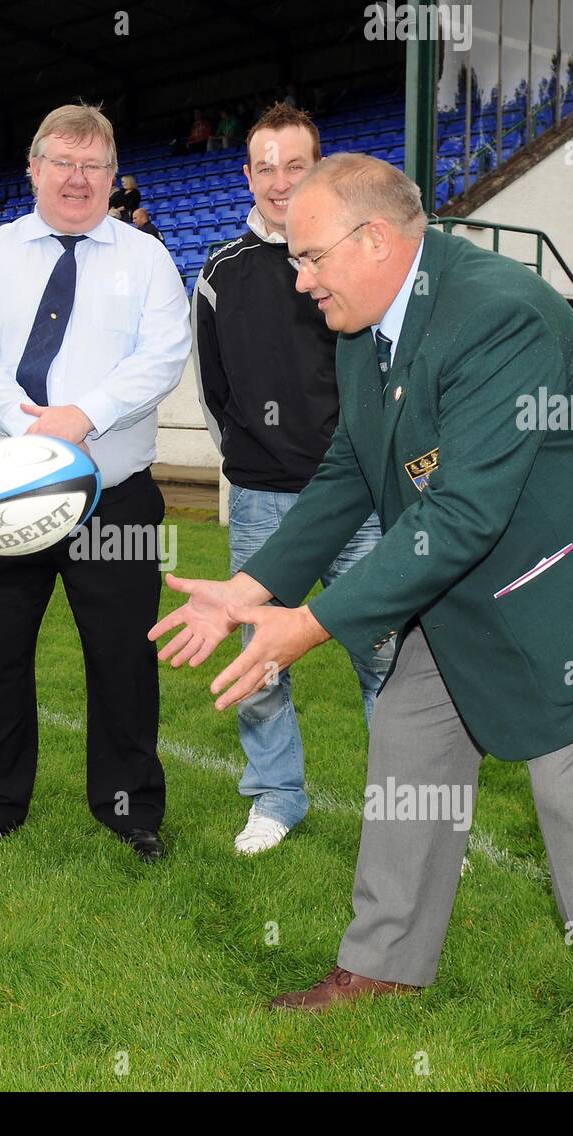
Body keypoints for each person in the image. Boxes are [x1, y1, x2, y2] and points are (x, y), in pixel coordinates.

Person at [151, 153, 573, 1078]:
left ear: (376, 240)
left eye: (310, 257)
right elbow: (353, 470)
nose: (300, 279)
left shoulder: (500, 313)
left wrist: (314, 624)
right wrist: (258, 587)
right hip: (468, 586)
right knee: (409, 750)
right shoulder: (361, 315)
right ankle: (385, 965)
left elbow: (461, 514)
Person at [0, 102, 191, 861]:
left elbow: (164, 353)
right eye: (64, 163)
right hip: (8, 491)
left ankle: (131, 809)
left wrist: (84, 415)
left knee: (122, 655)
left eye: (95, 166)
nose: (78, 179)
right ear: (34, 169)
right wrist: (32, 432)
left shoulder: (146, 259)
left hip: (114, 494)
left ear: (114, 177)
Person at [192, 105, 390, 856]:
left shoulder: (355, 258)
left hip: (361, 499)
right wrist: (252, 462)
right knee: (262, 658)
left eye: (294, 166)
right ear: (247, 175)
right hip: (263, 498)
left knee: (384, 652)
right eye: (264, 167)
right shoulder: (220, 273)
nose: (279, 182)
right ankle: (277, 796)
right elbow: (215, 396)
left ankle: (406, 811)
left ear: (320, 169)